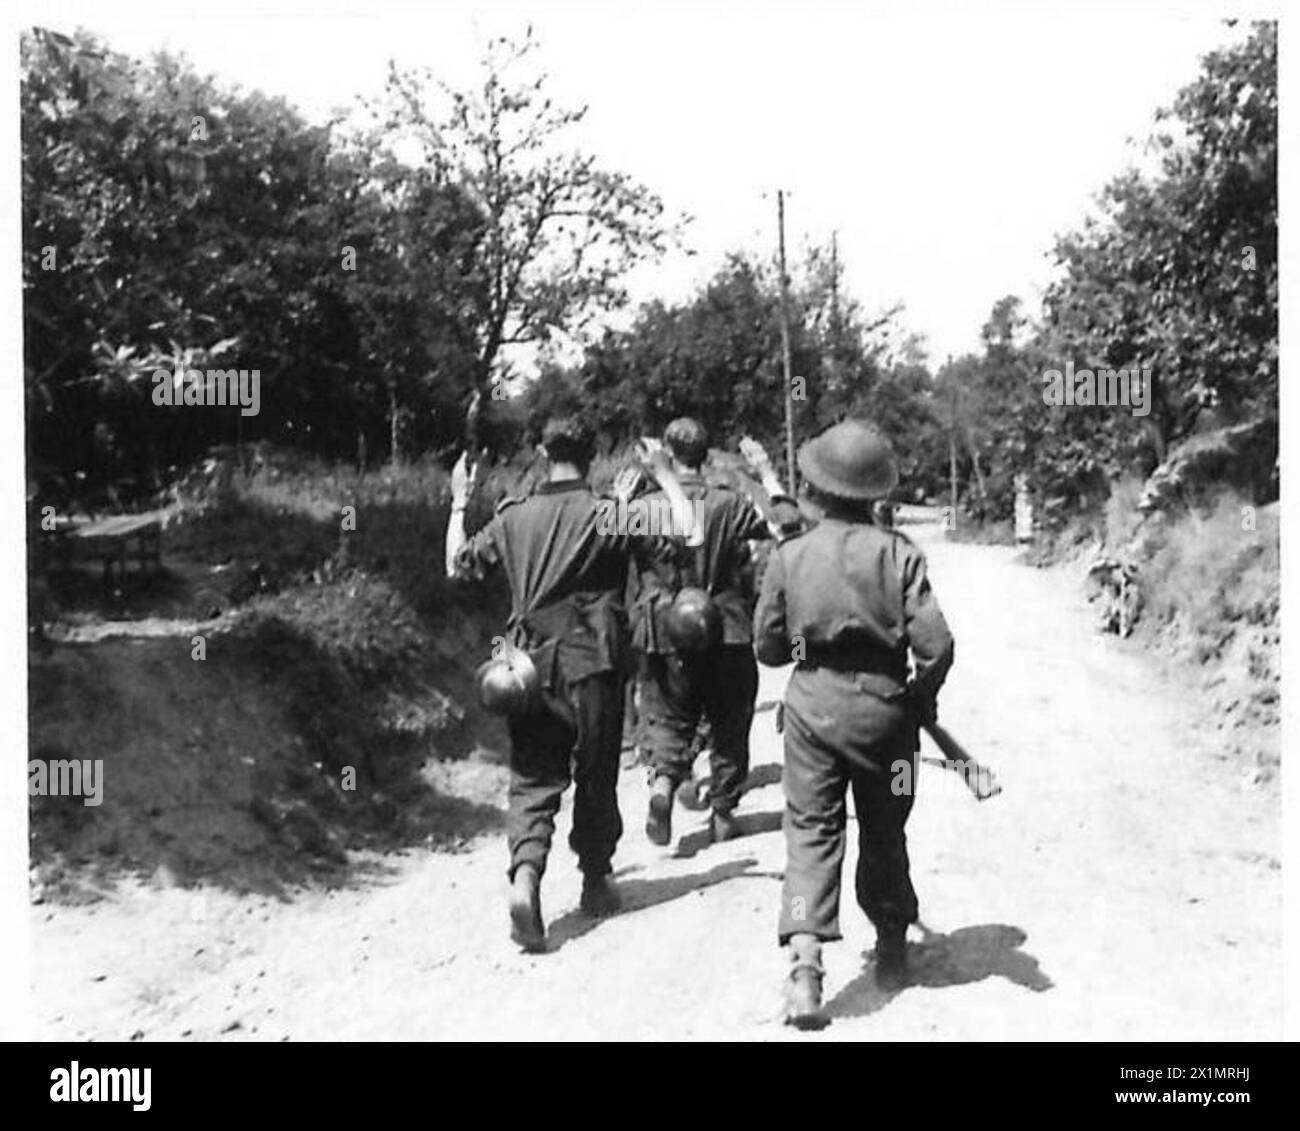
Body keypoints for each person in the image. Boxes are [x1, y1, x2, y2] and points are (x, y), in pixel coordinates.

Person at [446, 416, 692, 952]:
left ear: (540, 451)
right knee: (597, 772)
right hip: (594, 660)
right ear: (593, 452)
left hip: (528, 666)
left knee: (533, 775)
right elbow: (683, 537)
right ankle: (596, 880)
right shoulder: (610, 516)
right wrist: (665, 477)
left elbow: (457, 566)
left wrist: (460, 501)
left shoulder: (513, 518)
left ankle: (526, 875)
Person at [752, 419, 955, 1028]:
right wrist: (919, 694)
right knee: (887, 825)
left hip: (813, 714)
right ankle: (892, 940)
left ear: (816, 486)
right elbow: (938, 644)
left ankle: (806, 963)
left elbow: (767, 645)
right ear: (874, 492)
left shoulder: (789, 556)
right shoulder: (900, 554)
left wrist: (808, 654)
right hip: (890, 727)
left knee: (809, 832)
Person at [632, 418, 792, 847]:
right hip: (727, 625)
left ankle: (664, 784)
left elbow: (605, 551)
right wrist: (767, 476)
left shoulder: (645, 507)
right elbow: (783, 530)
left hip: (663, 625)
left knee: (667, 714)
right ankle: (722, 811)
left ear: (665, 451)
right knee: (729, 719)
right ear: (705, 456)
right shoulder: (730, 502)